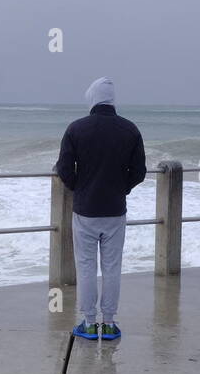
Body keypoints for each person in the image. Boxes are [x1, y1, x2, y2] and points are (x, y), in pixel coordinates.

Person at [54, 77, 146, 340]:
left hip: (85, 209)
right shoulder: (130, 130)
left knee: (85, 267)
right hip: (115, 209)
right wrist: (122, 188)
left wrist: (79, 188)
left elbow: (64, 169)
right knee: (112, 267)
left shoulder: (76, 129)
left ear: (92, 98)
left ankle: (89, 322)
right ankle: (108, 323)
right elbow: (138, 172)